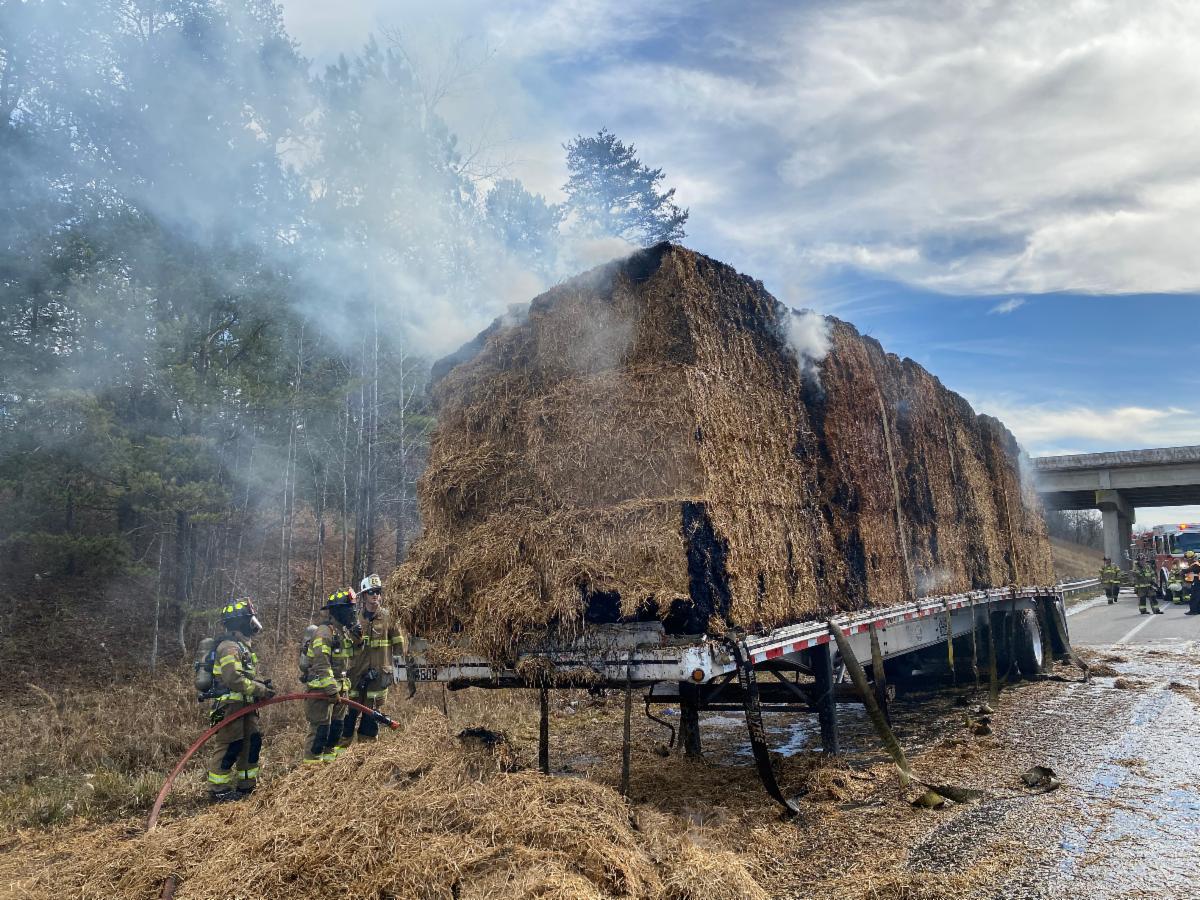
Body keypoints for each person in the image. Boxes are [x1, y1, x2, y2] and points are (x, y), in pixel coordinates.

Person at [206, 598, 274, 801]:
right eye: (249, 619)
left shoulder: (241, 647)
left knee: (252, 742)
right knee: (230, 745)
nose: (253, 623)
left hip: (245, 705)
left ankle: (246, 786)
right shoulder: (228, 647)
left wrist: (262, 685)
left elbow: (245, 676)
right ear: (239, 622)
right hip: (230, 705)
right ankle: (218, 790)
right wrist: (261, 690)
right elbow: (233, 679)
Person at [339, 574, 405, 748]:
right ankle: (339, 757)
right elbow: (347, 649)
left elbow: (398, 644)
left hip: (378, 677)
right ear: (364, 595)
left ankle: (365, 756)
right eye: (371, 592)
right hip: (356, 676)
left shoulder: (388, 617)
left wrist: (396, 671)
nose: (375, 595)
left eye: (377, 591)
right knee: (349, 715)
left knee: (371, 718)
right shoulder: (355, 620)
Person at [301, 589, 358, 763]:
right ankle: (310, 770)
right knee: (320, 732)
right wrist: (332, 689)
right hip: (321, 692)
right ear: (338, 611)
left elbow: (348, 660)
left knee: (335, 731)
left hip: (340, 690)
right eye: (350, 609)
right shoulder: (324, 633)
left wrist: (358, 638)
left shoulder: (343, 632)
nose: (353, 613)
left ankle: (328, 768)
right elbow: (321, 664)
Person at [1184, 550, 1200, 616]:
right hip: (1196, 582)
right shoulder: (1194, 564)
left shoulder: (1195, 564)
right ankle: (1197, 610)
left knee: (1193, 597)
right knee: (1197, 597)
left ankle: (1193, 611)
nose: (1187, 560)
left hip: (1196, 582)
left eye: (1187, 559)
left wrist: (1182, 570)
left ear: (1191, 558)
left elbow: (1190, 570)